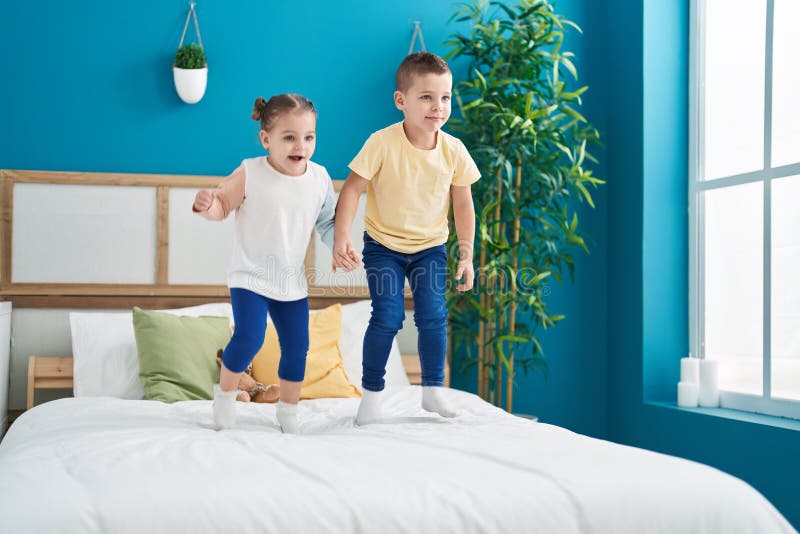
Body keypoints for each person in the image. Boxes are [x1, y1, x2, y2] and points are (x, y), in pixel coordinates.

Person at [192, 93, 358, 433]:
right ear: (266, 139)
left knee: (298, 346)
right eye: (289, 137)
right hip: (249, 275)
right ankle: (224, 399)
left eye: (309, 137)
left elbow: (328, 223)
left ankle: (288, 412)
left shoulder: (319, 178)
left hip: (290, 280)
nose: (301, 145)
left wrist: (340, 246)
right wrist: (207, 204)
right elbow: (222, 206)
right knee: (250, 336)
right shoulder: (250, 172)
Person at [333, 52, 481, 425]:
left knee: (434, 315)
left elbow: (463, 204)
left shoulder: (454, 150)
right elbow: (351, 191)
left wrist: (466, 255)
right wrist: (340, 239)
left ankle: (432, 391)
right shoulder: (382, 143)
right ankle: (371, 396)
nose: (438, 106)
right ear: (401, 101)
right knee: (388, 315)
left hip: (430, 248)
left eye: (445, 97)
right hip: (383, 246)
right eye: (427, 97)